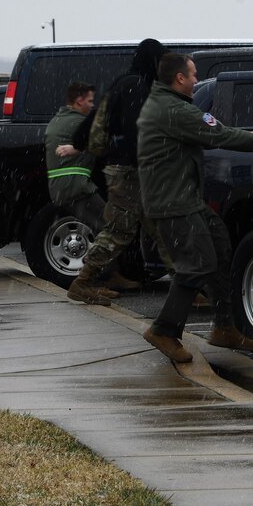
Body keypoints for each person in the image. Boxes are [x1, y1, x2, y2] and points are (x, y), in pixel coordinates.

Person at [137, 53, 253, 363]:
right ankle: (164, 330)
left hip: (184, 198)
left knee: (221, 248)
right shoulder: (173, 110)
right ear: (179, 78)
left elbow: (213, 132)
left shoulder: (167, 106)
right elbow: (218, 134)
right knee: (196, 265)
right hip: (173, 203)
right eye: (193, 74)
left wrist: (250, 136)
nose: (197, 80)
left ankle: (224, 326)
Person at [65, 38, 167, 306]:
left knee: (160, 229)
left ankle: (188, 288)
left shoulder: (122, 83)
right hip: (130, 173)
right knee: (119, 231)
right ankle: (83, 282)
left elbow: (83, 134)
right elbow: (137, 134)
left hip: (124, 169)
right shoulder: (138, 86)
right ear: (154, 61)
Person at [44, 81, 104, 231]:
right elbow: (103, 144)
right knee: (111, 229)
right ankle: (98, 255)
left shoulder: (56, 121)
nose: (92, 105)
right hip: (77, 188)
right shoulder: (80, 123)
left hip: (61, 189)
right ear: (79, 101)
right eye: (90, 101)